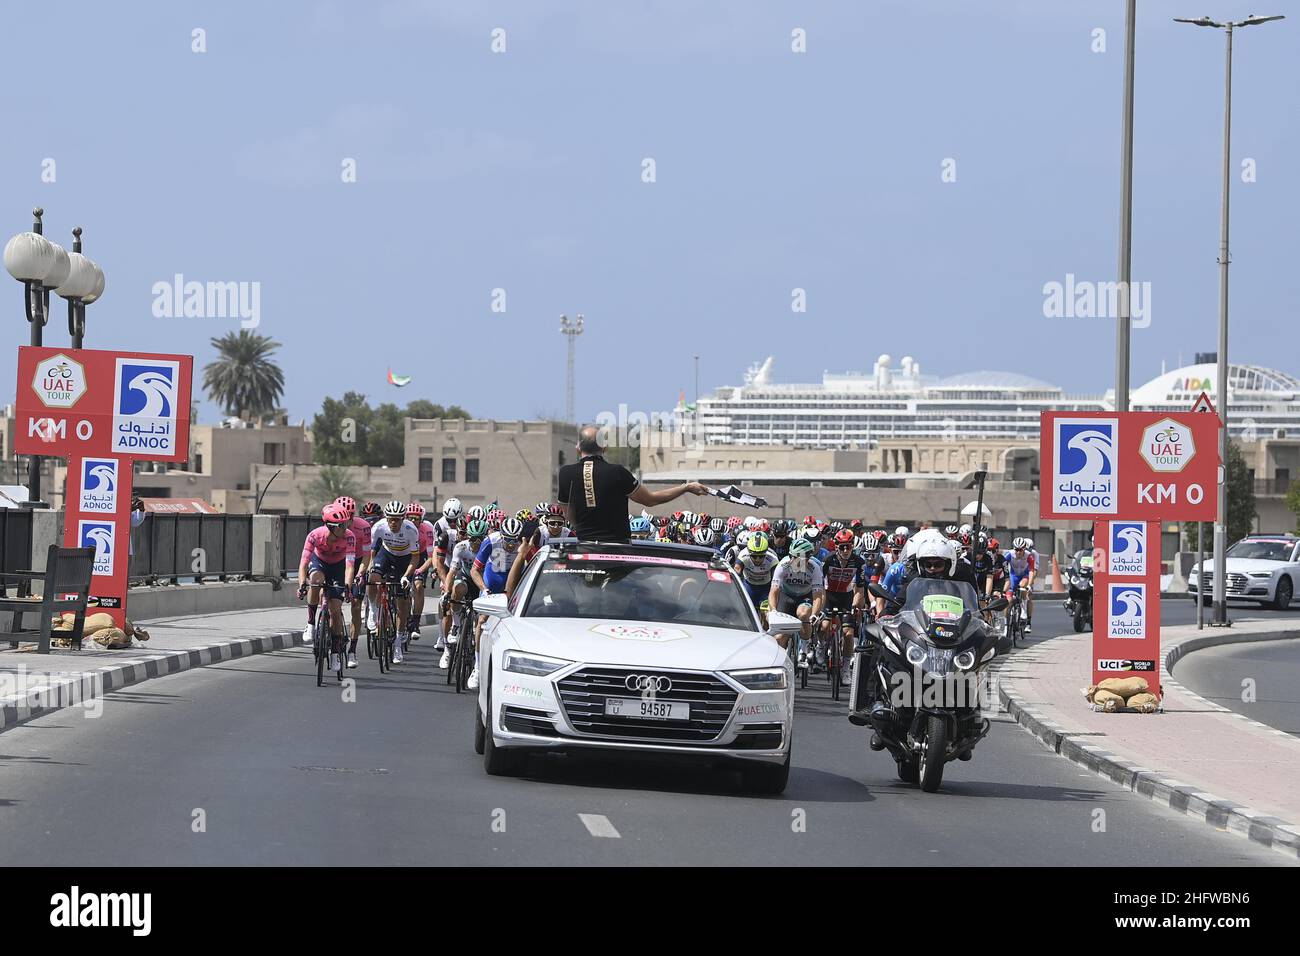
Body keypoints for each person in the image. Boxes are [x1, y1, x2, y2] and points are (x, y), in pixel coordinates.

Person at [557, 425, 709, 543]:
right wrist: (686, 487)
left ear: (578, 448)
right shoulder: (617, 472)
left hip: (584, 546)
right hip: (618, 549)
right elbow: (650, 500)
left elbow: (568, 514)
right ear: (604, 447)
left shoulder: (565, 474)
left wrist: (587, 529)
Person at [297, 504, 357, 672]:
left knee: (335, 610)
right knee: (315, 580)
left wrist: (347, 586)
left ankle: (335, 653)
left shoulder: (349, 536)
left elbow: (350, 566)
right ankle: (310, 624)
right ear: (330, 527)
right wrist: (302, 584)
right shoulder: (315, 536)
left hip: (338, 567)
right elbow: (303, 564)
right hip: (320, 563)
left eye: (346, 524)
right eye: (342, 525)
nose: (346, 528)